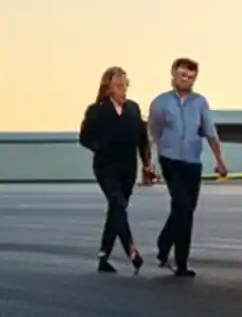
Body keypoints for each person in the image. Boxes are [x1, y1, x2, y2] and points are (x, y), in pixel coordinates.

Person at [146, 57, 227, 277]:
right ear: (173, 74)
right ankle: (174, 256)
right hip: (170, 160)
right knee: (181, 205)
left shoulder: (200, 102)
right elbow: (152, 133)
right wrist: (148, 163)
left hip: (192, 162)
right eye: (182, 75)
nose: (186, 80)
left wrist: (219, 160)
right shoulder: (161, 103)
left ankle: (170, 250)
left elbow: (210, 132)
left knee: (187, 210)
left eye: (191, 77)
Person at [78, 66, 153, 274]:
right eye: (119, 86)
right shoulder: (96, 111)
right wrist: (100, 147)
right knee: (117, 202)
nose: (124, 89)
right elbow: (84, 138)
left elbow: (142, 139)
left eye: (125, 85)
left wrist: (146, 164)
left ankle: (104, 255)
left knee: (117, 209)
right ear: (109, 88)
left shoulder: (133, 109)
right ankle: (131, 248)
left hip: (128, 167)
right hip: (106, 166)